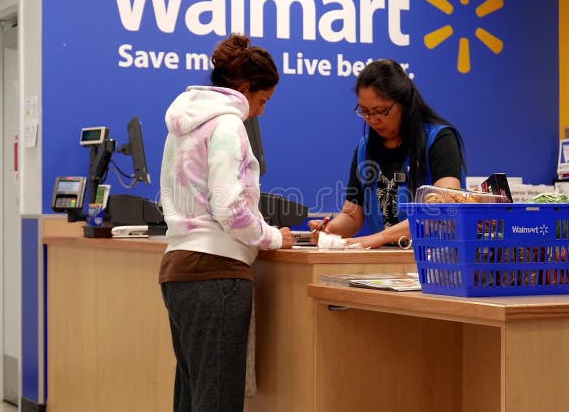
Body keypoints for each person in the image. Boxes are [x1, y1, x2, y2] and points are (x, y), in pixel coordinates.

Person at [158, 33, 294, 412]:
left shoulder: (181, 126)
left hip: (178, 269)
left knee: (191, 395)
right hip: (216, 273)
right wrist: (273, 237)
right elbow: (230, 209)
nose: (262, 111)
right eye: (263, 100)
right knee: (217, 399)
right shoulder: (229, 126)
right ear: (245, 88)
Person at [309, 59, 465, 249]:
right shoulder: (365, 148)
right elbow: (352, 215)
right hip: (386, 263)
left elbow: (442, 209)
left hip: (437, 261)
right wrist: (330, 229)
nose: (372, 120)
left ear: (403, 104)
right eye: (365, 112)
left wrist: (379, 237)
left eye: (380, 111)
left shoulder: (439, 140)